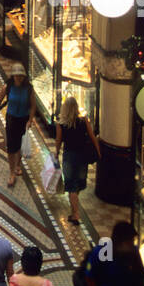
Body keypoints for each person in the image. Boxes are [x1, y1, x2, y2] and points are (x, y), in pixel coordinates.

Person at [55, 95, 101, 225]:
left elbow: (58, 141)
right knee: (79, 183)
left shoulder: (61, 124)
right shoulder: (83, 121)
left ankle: (75, 214)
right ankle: (74, 209)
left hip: (69, 156)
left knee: (71, 186)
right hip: (82, 156)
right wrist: (98, 151)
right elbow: (92, 136)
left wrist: (56, 153)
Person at [0, 63, 36, 187]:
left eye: (21, 76)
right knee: (11, 147)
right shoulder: (8, 86)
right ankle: (12, 173)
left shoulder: (29, 89)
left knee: (20, 144)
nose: (18, 78)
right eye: (16, 76)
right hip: (11, 119)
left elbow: (33, 106)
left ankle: (17, 165)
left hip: (23, 119)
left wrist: (30, 119)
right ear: (13, 76)